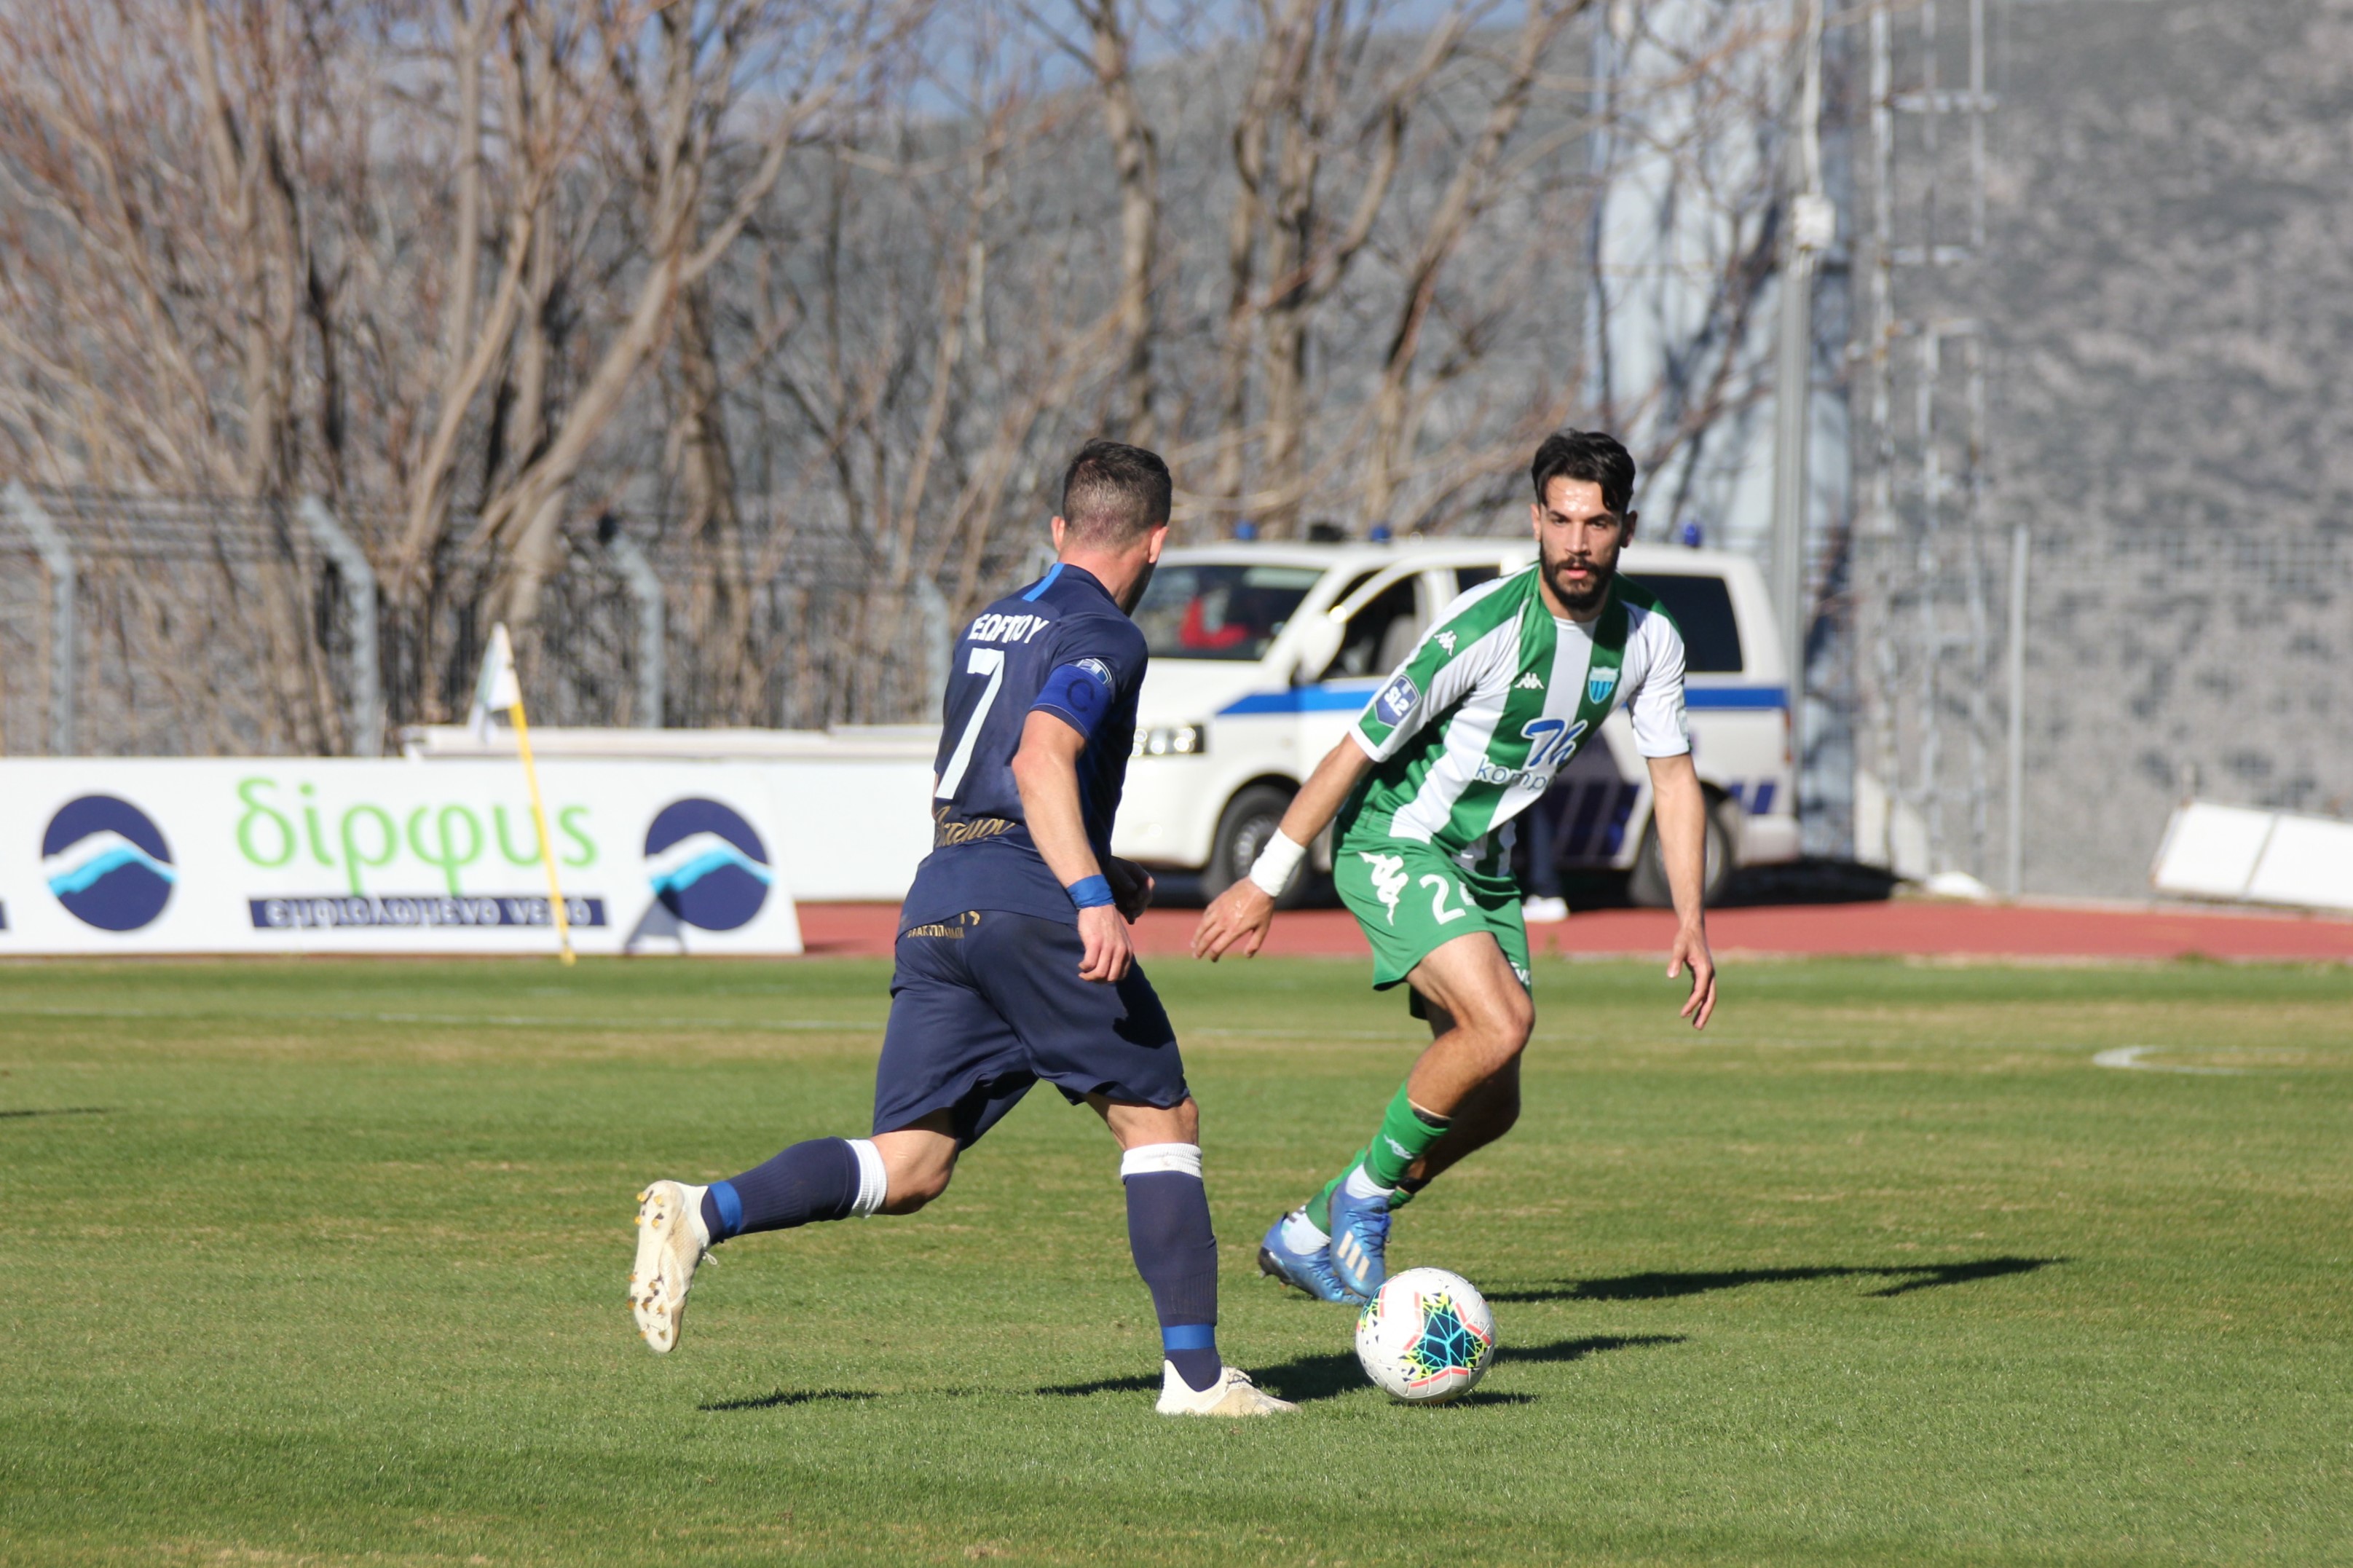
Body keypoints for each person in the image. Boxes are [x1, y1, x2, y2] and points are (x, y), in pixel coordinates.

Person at [630, 441, 1295, 1417]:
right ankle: (1196, 1382)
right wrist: (1089, 893)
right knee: (1160, 1118)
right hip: (1030, 905)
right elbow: (1037, 760)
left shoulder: (991, 619)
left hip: (942, 895)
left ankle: (703, 1209)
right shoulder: (1106, 633)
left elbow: (986, 778)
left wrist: (1099, 867)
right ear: (1157, 542)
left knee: (910, 1163)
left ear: (1060, 529)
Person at [1191, 430, 1719, 1304]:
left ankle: (1310, 1228)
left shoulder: (1650, 634)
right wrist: (1265, 879)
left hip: (1486, 864)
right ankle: (1366, 1200)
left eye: (1597, 523)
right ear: (1535, 519)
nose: (1577, 542)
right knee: (1502, 1021)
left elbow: (1672, 776)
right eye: (1560, 520)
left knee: (1493, 1100)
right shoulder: (1483, 626)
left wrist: (1691, 919)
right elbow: (1355, 748)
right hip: (1395, 838)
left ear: (1626, 529)